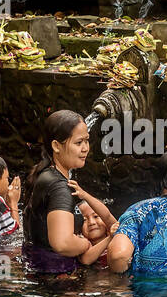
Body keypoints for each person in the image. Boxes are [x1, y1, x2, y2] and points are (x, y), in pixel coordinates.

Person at [23, 109, 117, 273]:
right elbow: (63, 243)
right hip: (57, 275)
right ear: (56, 146)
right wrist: (84, 244)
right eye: (78, 143)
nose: (85, 148)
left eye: (87, 141)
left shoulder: (44, 175)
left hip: (37, 267)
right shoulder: (59, 187)